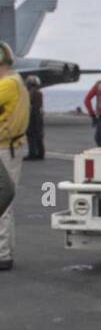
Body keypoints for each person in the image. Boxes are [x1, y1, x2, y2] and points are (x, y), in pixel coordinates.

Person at [0, 41, 29, 270]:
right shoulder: (17, 81)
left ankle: (3, 253)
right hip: (12, 146)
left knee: (3, 201)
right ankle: (5, 251)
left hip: (4, 148)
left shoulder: (7, 84)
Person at [23, 75, 44, 161]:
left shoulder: (30, 92)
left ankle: (32, 154)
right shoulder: (39, 92)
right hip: (38, 116)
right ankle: (40, 153)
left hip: (32, 115)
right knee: (38, 135)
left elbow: (27, 104)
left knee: (30, 135)